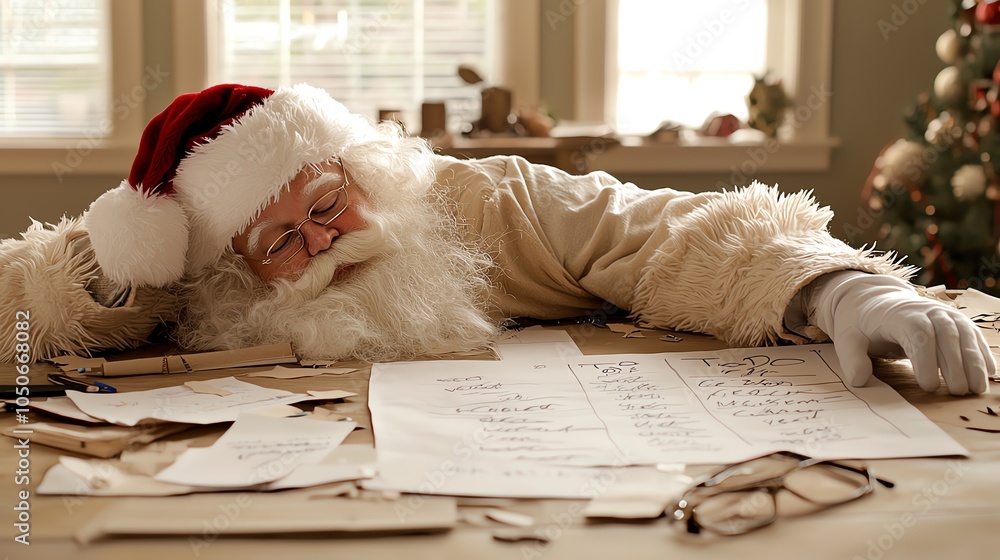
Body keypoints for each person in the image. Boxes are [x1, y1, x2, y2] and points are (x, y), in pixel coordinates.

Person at [0, 83, 993, 396]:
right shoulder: (193, 275)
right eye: (282, 239)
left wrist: (836, 289)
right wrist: (96, 262)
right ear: (234, 256)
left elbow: (663, 231)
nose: (322, 239)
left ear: (361, 169)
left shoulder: (487, 202)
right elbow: (25, 309)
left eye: (328, 202)